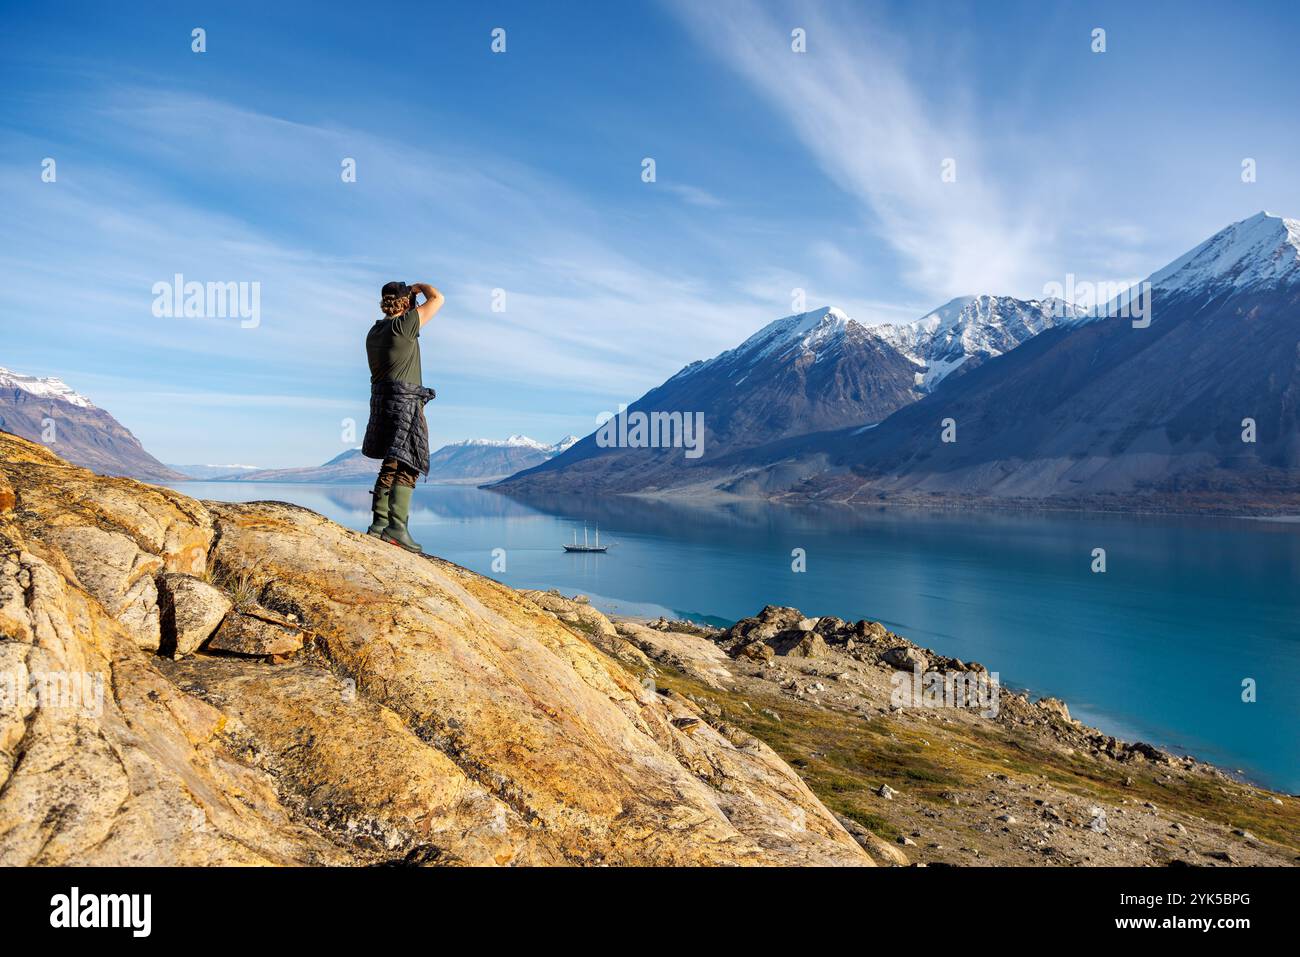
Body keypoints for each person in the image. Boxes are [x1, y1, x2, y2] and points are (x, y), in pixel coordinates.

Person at [361, 280, 444, 553]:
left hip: (381, 400)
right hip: (405, 401)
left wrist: (409, 297)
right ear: (406, 303)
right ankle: (397, 528)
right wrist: (419, 287)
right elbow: (438, 298)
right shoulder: (404, 326)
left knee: (392, 461)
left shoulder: (374, 331)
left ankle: (379, 525)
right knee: (408, 462)